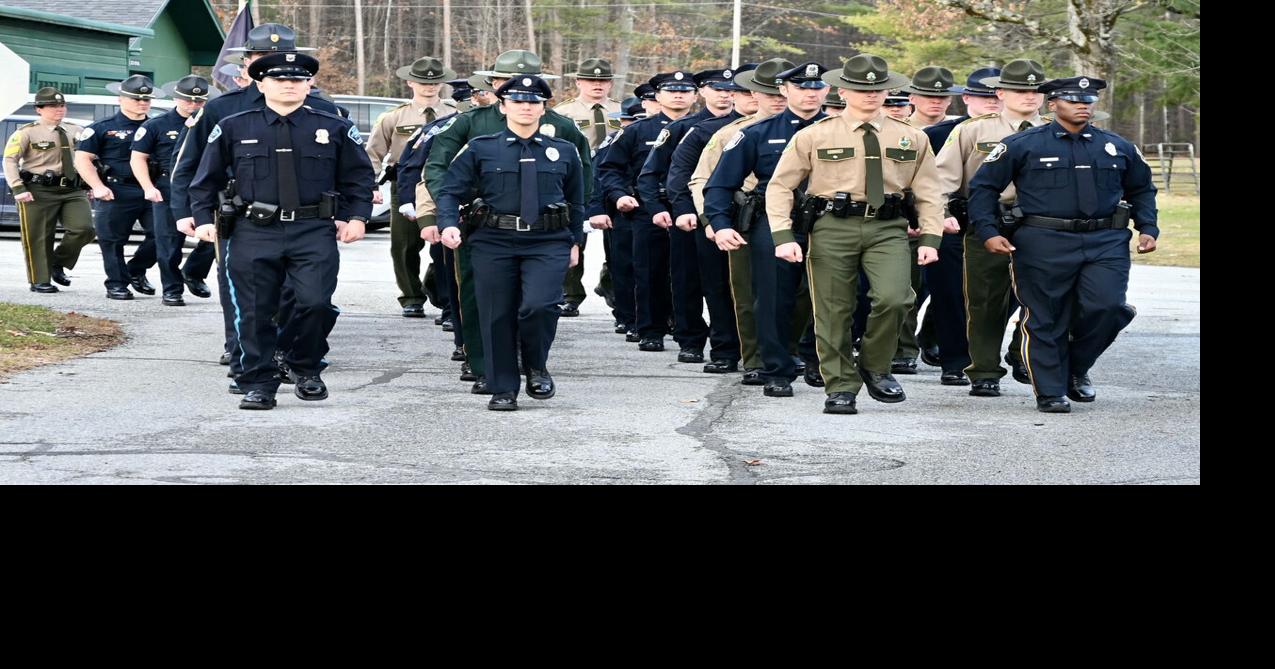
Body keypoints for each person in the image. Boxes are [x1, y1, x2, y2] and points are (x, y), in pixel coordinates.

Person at [188, 51, 374, 410]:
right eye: (279, 79)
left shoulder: (333, 126)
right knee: (254, 310)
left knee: (315, 303)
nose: (289, 85)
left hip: (312, 228)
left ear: (309, 84)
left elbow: (359, 177)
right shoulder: (234, 125)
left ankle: (304, 366)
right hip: (252, 229)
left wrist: (357, 217)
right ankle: (259, 382)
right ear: (261, 84)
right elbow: (205, 178)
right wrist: (202, 219)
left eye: (297, 79)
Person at [766, 54, 944, 415]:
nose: (871, 94)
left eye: (878, 88)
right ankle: (841, 386)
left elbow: (929, 190)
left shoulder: (911, 137)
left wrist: (931, 237)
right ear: (843, 91)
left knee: (896, 298)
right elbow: (781, 186)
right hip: (832, 226)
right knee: (833, 309)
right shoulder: (815, 135)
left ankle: (875, 366)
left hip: (888, 227)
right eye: (861, 88)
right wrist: (782, 235)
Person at [967, 75, 1158, 413]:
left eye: (1088, 100)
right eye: (1073, 99)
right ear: (1053, 104)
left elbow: (1142, 188)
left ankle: (1075, 367)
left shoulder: (1117, 146)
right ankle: (1050, 391)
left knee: (1107, 307)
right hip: (1043, 241)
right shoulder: (1022, 144)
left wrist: (1147, 227)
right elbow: (983, 187)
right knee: (1046, 317)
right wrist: (988, 231)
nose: (1083, 105)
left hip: (1105, 240)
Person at [169, 23, 338, 386]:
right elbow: (189, 164)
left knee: (298, 292)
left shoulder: (323, 109)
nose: (272, 63)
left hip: (304, 219)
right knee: (243, 292)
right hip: (238, 214)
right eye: (262, 56)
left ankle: (285, 352)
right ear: (247, 62)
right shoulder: (221, 108)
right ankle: (241, 355)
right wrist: (186, 213)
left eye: (279, 56)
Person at [435, 75, 585, 411]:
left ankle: (535, 364)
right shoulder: (481, 148)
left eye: (533, 102)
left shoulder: (563, 150)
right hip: (494, 240)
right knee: (496, 313)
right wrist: (447, 224)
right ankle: (503, 387)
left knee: (540, 305)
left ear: (543, 108)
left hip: (548, 240)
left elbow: (577, 201)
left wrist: (576, 242)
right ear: (503, 107)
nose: (526, 107)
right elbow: (450, 190)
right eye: (517, 101)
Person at [705, 61, 829, 397]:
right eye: (802, 87)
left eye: (817, 87)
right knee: (773, 297)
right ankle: (776, 368)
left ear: (828, 91)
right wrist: (719, 224)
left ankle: (816, 357)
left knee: (833, 296)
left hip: (830, 221)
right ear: (784, 90)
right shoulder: (756, 133)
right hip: (774, 221)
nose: (810, 93)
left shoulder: (840, 131)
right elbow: (720, 184)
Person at [934, 60, 1050, 397]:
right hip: (989, 220)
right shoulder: (973, 130)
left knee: (1045, 295)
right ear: (1000, 93)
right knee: (985, 300)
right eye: (1020, 89)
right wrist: (942, 213)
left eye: (1036, 90)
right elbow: (942, 178)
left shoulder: (1055, 130)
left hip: (1042, 224)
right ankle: (984, 370)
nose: (1030, 96)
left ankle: (1022, 351)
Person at [368, 56, 456, 318]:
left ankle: (439, 290)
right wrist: (370, 185)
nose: (429, 86)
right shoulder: (394, 117)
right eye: (423, 82)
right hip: (405, 185)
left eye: (435, 82)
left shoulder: (455, 115)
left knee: (445, 244)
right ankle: (411, 296)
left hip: (442, 185)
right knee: (404, 245)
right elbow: (373, 153)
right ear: (410, 82)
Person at [130, 75, 218, 306]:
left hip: (204, 189)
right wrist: (148, 187)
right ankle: (172, 289)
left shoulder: (213, 123)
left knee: (214, 237)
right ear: (176, 98)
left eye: (199, 101)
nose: (193, 105)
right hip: (168, 189)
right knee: (169, 243)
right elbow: (138, 158)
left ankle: (194, 272)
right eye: (188, 100)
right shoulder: (156, 125)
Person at [73, 74, 162, 300]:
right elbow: (82, 159)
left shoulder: (157, 126)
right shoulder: (102, 128)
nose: (142, 103)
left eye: (146, 99)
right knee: (112, 240)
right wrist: (97, 186)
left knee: (162, 235)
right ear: (120, 99)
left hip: (151, 189)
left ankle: (136, 270)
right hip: (116, 190)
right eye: (136, 98)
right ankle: (116, 283)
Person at [3, 87, 96, 293]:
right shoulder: (26, 132)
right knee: (39, 236)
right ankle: (40, 280)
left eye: (62, 105)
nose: (59, 109)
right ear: (39, 109)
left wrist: (90, 183)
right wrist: (17, 187)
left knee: (84, 229)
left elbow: (88, 158)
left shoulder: (76, 130)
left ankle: (57, 262)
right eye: (53, 106)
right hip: (38, 190)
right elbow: (10, 160)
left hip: (72, 190)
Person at [554, 58, 622, 316]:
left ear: (610, 83)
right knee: (574, 237)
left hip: (612, 177)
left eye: (603, 80)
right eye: (591, 80)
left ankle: (611, 285)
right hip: (579, 176)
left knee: (618, 239)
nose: (597, 85)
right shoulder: (564, 112)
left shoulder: (621, 109)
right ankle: (570, 294)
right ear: (578, 82)